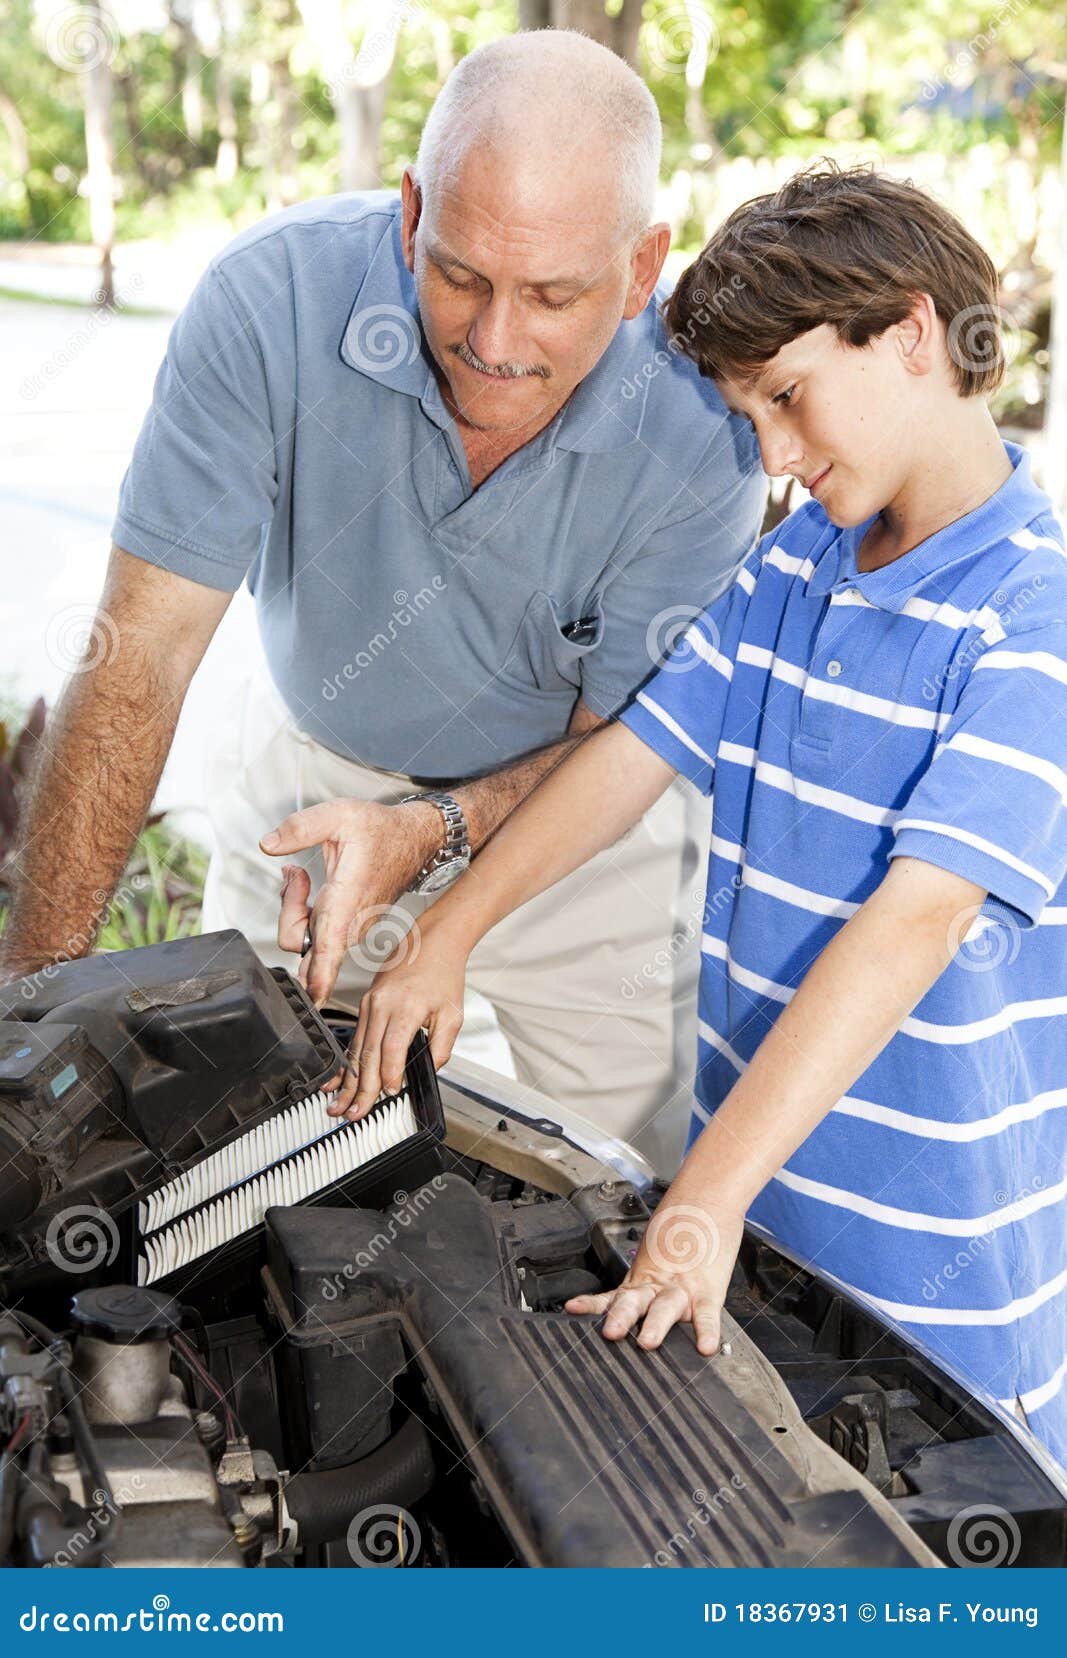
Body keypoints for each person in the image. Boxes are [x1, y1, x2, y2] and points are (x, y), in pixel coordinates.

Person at [334, 165, 1067, 1471]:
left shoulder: (1030, 624)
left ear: (906, 334)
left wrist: (697, 1201)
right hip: (754, 1227)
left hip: (944, 1303)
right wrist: (447, 931)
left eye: (786, 400)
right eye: (749, 418)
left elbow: (912, 923)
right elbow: (625, 757)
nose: (773, 457)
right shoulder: (792, 568)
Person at [0, 30, 764, 1180]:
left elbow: (620, 744)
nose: (493, 344)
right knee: (236, 1149)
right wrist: (31, 1021)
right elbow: (138, 658)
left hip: (585, 825)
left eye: (554, 296)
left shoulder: (705, 431)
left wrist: (436, 836)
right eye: (459, 273)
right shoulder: (269, 303)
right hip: (313, 786)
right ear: (410, 212)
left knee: (614, 1193)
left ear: (642, 264)